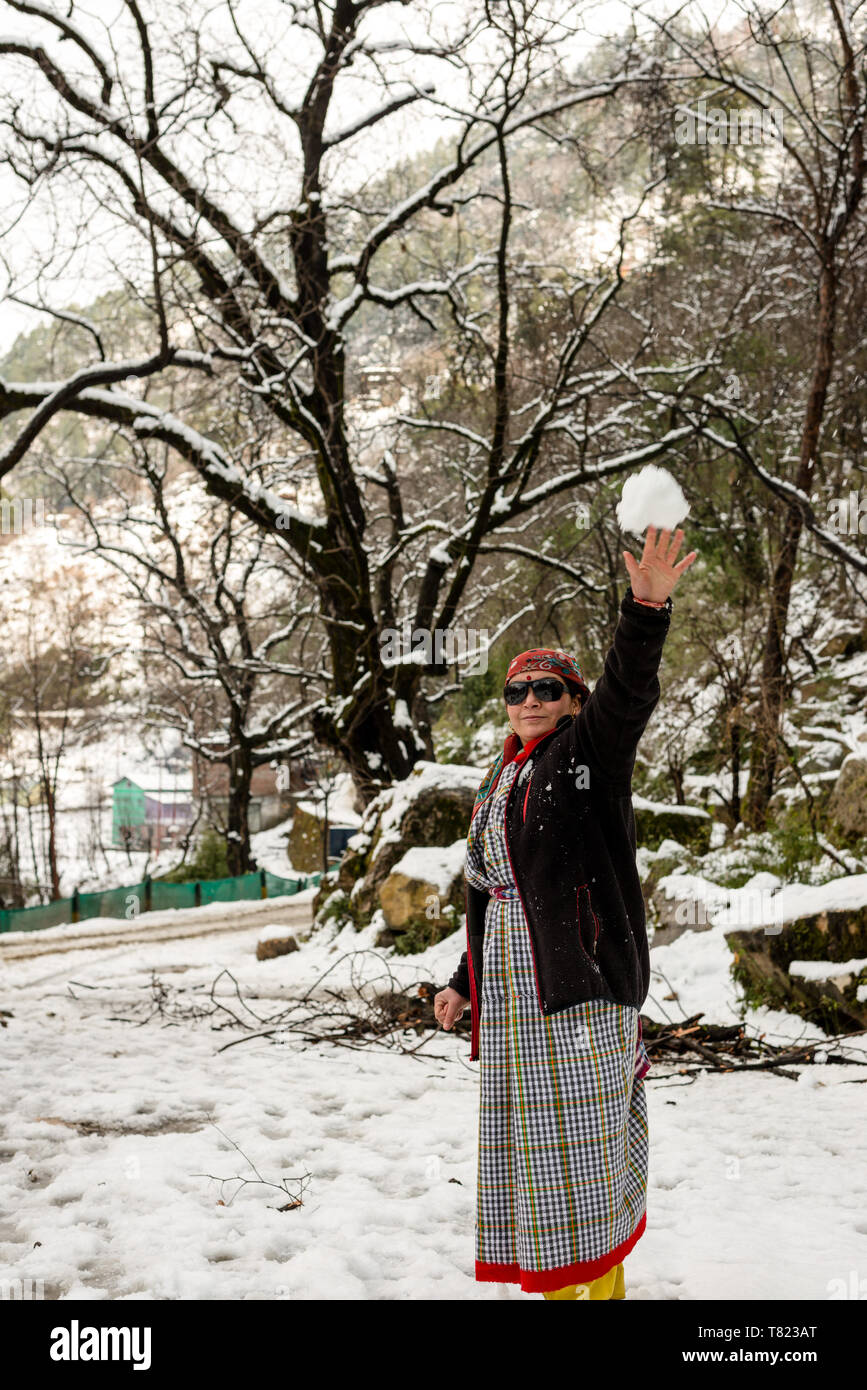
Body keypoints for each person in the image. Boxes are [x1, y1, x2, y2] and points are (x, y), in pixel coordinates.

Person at [434, 524, 697, 1299]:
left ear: (573, 700)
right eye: (515, 690)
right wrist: (463, 983)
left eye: (546, 688)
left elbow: (627, 695)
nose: (528, 701)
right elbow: (490, 892)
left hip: (578, 992)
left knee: (583, 1161)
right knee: (537, 1166)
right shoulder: (498, 782)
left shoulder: (587, 756)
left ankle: (600, 1296)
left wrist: (644, 609)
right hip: (515, 1003)